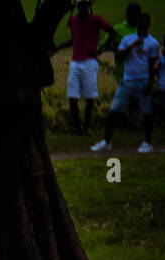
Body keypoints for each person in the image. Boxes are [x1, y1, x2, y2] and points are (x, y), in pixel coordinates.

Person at [92, 12, 160, 153]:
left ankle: (147, 142)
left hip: (143, 81)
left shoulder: (153, 43)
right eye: (139, 22)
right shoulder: (128, 39)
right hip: (127, 81)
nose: (142, 25)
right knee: (114, 111)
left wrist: (149, 83)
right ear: (137, 24)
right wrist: (132, 46)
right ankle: (107, 141)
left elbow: (153, 65)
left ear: (148, 25)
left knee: (147, 113)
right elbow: (119, 56)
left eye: (144, 23)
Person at [55, 1, 117, 133]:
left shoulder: (96, 19)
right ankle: (78, 127)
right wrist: (58, 48)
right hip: (75, 62)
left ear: (88, 6)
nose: (82, 8)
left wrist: (102, 48)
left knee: (89, 96)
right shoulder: (72, 20)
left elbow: (112, 32)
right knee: (72, 95)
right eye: (80, 5)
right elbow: (74, 39)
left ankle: (86, 126)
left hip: (90, 61)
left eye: (84, 5)